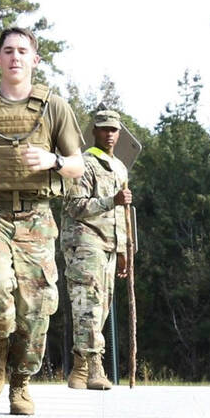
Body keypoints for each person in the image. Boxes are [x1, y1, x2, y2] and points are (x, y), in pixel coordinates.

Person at [0, 28, 84, 415]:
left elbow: (78, 164)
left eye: (22, 51)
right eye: (8, 51)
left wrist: (54, 161)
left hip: (37, 218)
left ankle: (21, 383)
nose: (15, 57)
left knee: (35, 308)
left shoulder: (54, 107)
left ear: (35, 60)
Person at [60, 106, 131, 390]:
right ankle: (93, 367)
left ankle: (79, 366)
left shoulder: (120, 167)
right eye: (104, 128)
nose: (109, 134)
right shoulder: (84, 164)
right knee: (87, 304)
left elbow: (122, 215)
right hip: (84, 240)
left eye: (114, 129)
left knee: (100, 307)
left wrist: (124, 250)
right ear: (94, 131)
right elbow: (74, 206)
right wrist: (110, 200)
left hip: (109, 244)